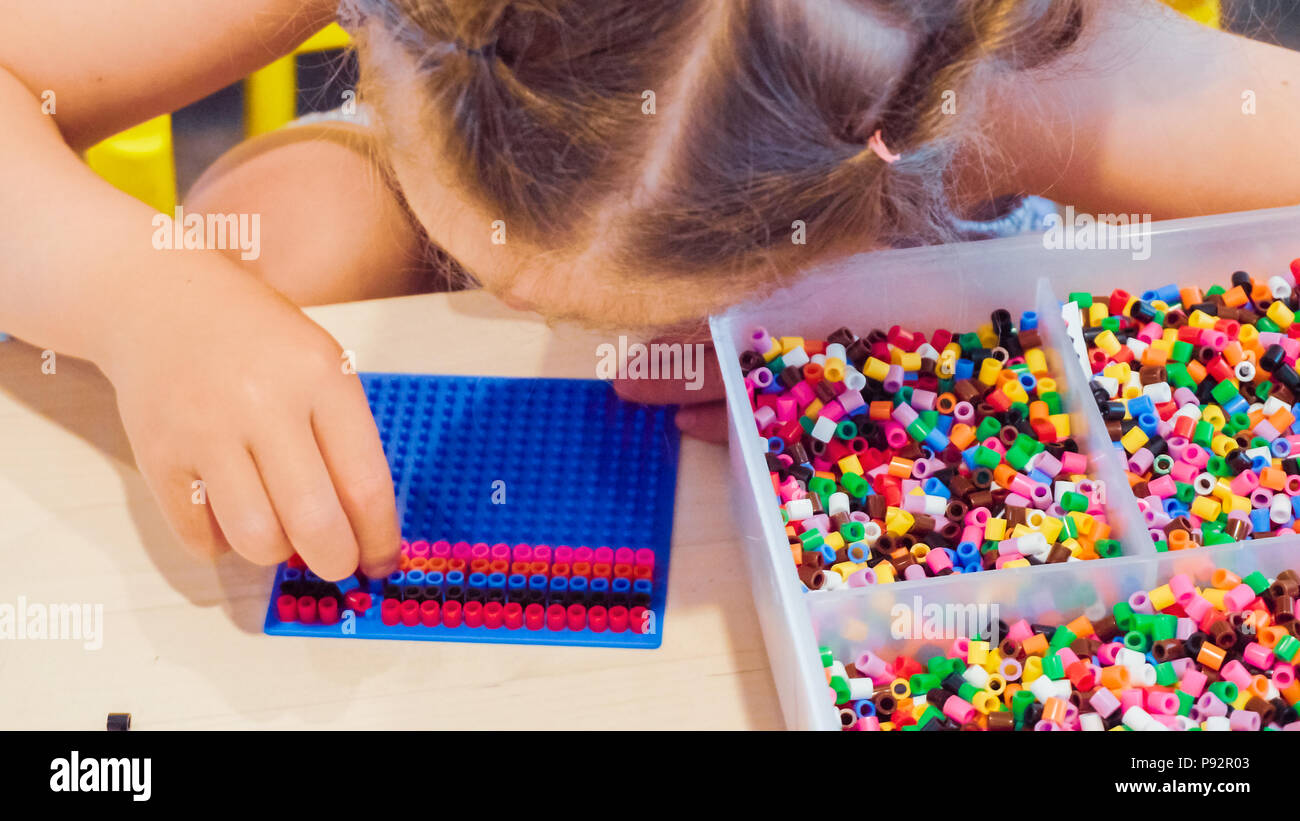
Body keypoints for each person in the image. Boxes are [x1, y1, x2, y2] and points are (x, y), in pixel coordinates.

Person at [3, 0, 1297, 583]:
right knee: (271, 242)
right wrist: (137, 296)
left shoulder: (1000, 67)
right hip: (388, 186)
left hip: (879, 264)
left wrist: (917, 303)